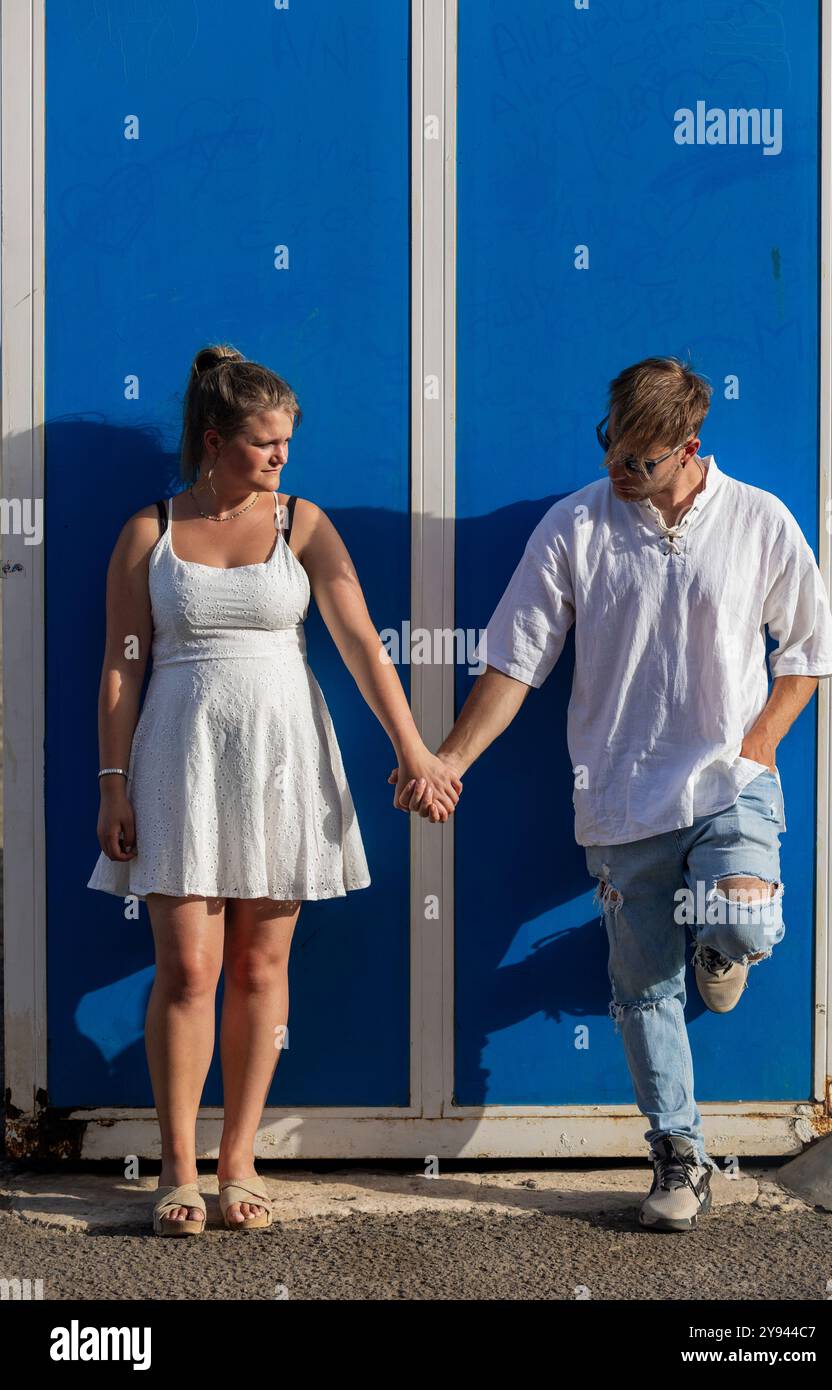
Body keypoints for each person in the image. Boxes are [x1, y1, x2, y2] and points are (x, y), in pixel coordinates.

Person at [392, 355, 832, 1233]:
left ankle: (719, 951)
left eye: (637, 460)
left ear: (689, 448)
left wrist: (754, 749)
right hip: (619, 797)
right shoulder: (575, 526)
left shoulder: (759, 520)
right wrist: (448, 758)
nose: (615, 469)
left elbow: (809, 654)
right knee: (643, 993)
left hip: (729, 787)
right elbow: (514, 663)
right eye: (610, 445)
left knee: (747, 922)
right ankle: (680, 1154)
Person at [87, 344, 462, 1235]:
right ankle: (176, 1167)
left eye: (286, 442)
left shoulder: (304, 524)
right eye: (263, 443)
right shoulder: (151, 531)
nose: (279, 459)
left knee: (261, 966)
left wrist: (415, 752)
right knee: (187, 967)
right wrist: (112, 786)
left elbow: (365, 645)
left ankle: (239, 1159)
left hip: (283, 758)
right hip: (178, 761)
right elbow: (120, 667)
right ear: (214, 440)